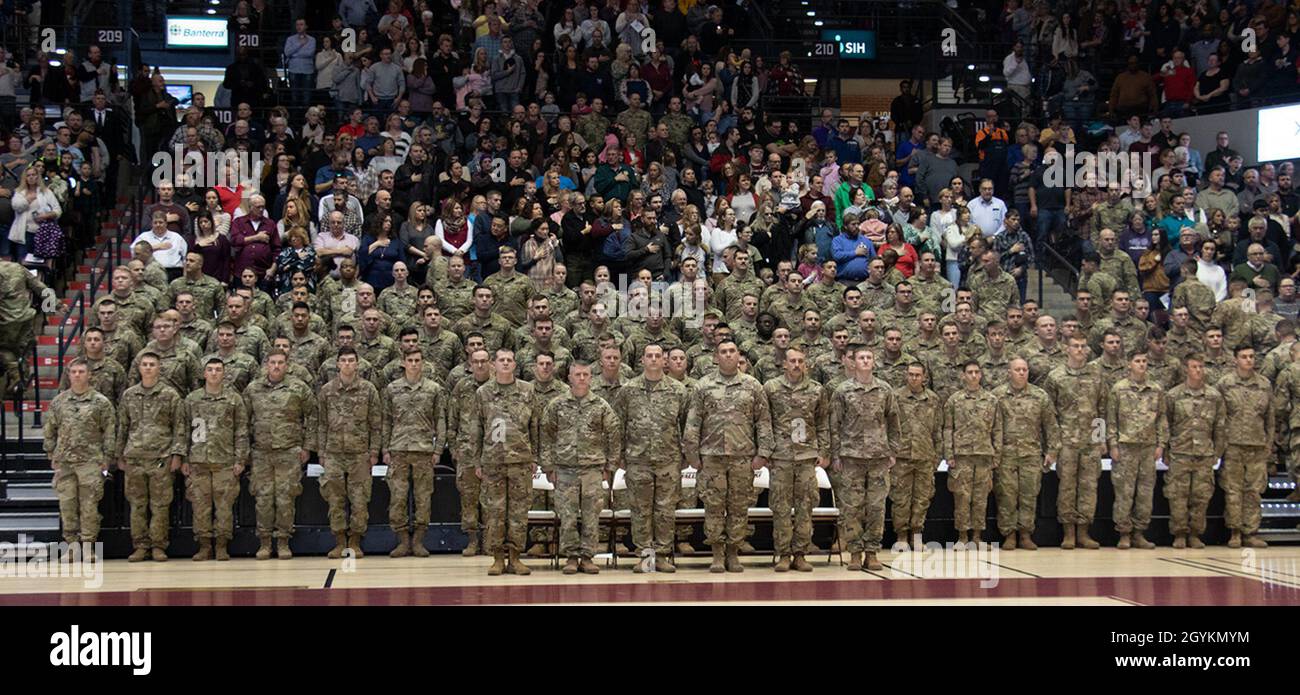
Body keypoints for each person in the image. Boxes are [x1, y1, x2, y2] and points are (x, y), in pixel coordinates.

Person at [683, 339, 773, 573]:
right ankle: (716, 553)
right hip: (711, 457)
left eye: (732, 351)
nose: (728, 355)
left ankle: (733, 552)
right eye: (723, 351)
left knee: (739, 507)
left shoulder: (753, 386)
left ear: (738, 355)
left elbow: (763, 422)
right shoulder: (703, 386)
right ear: (716, 356)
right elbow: (693, 422)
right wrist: (692, 454)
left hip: (742, 457)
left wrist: (763, 453)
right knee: (713, 506)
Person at [467, 348, 542, 576]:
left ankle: (516, 556)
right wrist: (477, 461)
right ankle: (497, 557)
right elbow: (476, 428)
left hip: (520, 460)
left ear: (515, 364)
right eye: (502, 360)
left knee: (518, 511)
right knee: (494, 511)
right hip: (492, 461)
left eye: (510, 360)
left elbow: (535, 427)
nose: (506, 363)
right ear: (493, 364)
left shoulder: (528, 390)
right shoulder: (483, 392)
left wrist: (535, 458)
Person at [541, 360, 620, 574]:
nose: (582, 378)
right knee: (567, 516)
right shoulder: (556, 405)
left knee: (591, 516)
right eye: (578, 375)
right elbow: (546, 436)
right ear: (569, 378)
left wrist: (610, 466)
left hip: (592, 469)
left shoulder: (601, 405)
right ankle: (571, 556)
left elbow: (614, 435)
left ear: (591, 377)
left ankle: (587, 557)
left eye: (585, 374)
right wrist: (548, 466)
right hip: (564, 469)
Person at [616, 343, 689, 572]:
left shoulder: (678, 390)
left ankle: (663, 555)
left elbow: (688, 424)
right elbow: (617, 425)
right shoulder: (628, 390)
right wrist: (619, 456)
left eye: (659, 356)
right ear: (642, 360)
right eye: (650, 356)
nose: (654, 359)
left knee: (665, 510)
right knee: (641, 510)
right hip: (637, 459)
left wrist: (686, 454)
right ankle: (646, 556)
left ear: (664, 361)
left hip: (669, 459)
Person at [829, 346, 899, 571]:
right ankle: (855, 552)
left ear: (874, 361)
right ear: (853, 362)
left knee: (877, 506)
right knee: (852, 507)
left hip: (878, 457)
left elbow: (894, 422)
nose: (866, 361)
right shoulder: (842, 390)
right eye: (861, 357)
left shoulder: (884, 390)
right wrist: (836, 454)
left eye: (869, 357)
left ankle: (872, 551)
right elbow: (834, 425)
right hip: (851, 457)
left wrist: (893, 451)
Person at [763, 346, 829, 572]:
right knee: (780, 507)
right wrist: (766, 451)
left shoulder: (817, 390)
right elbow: (764, 421)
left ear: (806, 364)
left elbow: (822, 423)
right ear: (784, 363)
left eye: (800, 361)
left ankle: (800, 553)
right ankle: (783, 553)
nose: (796, 365)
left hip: (807, 456)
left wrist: (824, 451)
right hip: (780, 456)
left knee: (805, 506)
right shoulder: (771, 388)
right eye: (792, 361)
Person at [117, 352, 187, 562]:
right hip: (135, 457)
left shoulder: (170, 395)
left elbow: (179, 427)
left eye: (152, 365)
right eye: (144, 364)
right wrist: (119, 454)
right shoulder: (129, 395)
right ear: (139, 368)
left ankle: (158, 545)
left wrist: (177, 454)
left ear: (159, 368)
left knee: (160, 505)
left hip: (161, 457)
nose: (148, 368)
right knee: (137, 504)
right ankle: (140, 545)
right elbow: (123, 427)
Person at [45, 358, 116, 558]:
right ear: (68, 375)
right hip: (65, 461)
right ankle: (72, 545)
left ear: (89, 375)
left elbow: (109, 430)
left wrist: (107, 456)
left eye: (81, 371)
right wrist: (51, 452)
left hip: (91, 461)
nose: (77, 375)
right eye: (73, 372)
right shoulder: (59, 401)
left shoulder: (101, 402)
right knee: (67, 505)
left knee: (89, 506)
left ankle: (87, 546)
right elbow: (50, 429)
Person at [316, 347, 382, 559]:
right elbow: (321, 424)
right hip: (334, 453)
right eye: (343, 360)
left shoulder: (368, 389)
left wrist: (373, 452)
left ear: (357, 364)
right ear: (337, 364)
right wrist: (322, 452)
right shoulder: (326, 390)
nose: (347, 364)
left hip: (359, 453)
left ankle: (355, 541)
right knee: (335, 499)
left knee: (359, 498)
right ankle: (339, 541)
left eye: (351, 360)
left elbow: (376, 424)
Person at [382, 349, 448, 558]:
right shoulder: (392, 389)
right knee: (397, 498)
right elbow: (385, 421)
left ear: (423, 362)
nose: (413, 364)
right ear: (403, 363)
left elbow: (440, 420)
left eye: (417, 360)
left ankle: (418, 541)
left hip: (423, 451)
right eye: (410, 360)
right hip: (398, 449)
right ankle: (402, 541)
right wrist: (385, 448)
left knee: (423, 498)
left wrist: (438, 449)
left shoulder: (433, 389)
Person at [183, 358, 249, 562]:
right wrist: (184, 458)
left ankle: (221, 545)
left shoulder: (233, 399)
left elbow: (242, 430)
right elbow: (183, 430)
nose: (213, 373)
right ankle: (204, 546)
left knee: (224, 507)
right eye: (210, 370)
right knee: (200, 506)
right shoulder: (192, 399)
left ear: (224, 373)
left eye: (218, 370)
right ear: (204, 374)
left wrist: (240, 459)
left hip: (225, 461)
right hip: (198, 460)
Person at [992, 358, 1057, 551]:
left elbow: (1050, 425)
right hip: (1006, 454)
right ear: (1009, 372)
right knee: (1006, 496)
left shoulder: (1040, 396)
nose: (1021, 373)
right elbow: (991, 426)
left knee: (1029, 495)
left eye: (1025, 370)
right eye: (1017, 369)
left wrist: (1052, 450)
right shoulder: (997, 396)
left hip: (1031, 453)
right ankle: (1009, 534)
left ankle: (1026, 534)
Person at [1164, 353, 1226, 549]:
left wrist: (1217, 452)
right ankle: (1179, 533)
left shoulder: (1214, 396)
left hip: (1204, 454)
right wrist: (1166, 450)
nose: (1198, 370)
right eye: (1194, 367)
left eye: (1201, 366)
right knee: (1177, 497)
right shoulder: (1173, 395)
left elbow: (1220, 426)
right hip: (1180, 453)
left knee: (1201, 497)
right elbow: (1166, 424)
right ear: (1186, 369)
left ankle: (1195, 533)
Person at [1216, 346, 1274, 548]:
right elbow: (1219, 416)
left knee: (1254, 491)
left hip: (1257, 444)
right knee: (1233, 490)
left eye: (1251, 356)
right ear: (1235, 359)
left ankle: (1251, 532)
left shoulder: (1264, 384)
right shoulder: (1225, 384)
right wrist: (1219, 445)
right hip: (1232, 444)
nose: (1248, 360)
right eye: (1244, 357)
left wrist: (1269, 444)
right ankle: (1235, 532)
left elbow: (1270, 418)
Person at [943, 361, 1001, 550]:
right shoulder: (954, 400)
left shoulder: (991, 400)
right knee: (962, 497)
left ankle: (977, 536)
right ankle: (962, 537)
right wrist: (949, 454)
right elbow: (948, 428)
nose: (974, 375)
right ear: (963, 375)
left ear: (981, 375)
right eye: (970, 372)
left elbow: (997, 429)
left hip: (984, 455)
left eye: (977, 372)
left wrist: (996, 455)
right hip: (962, 455)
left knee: (980, 498)